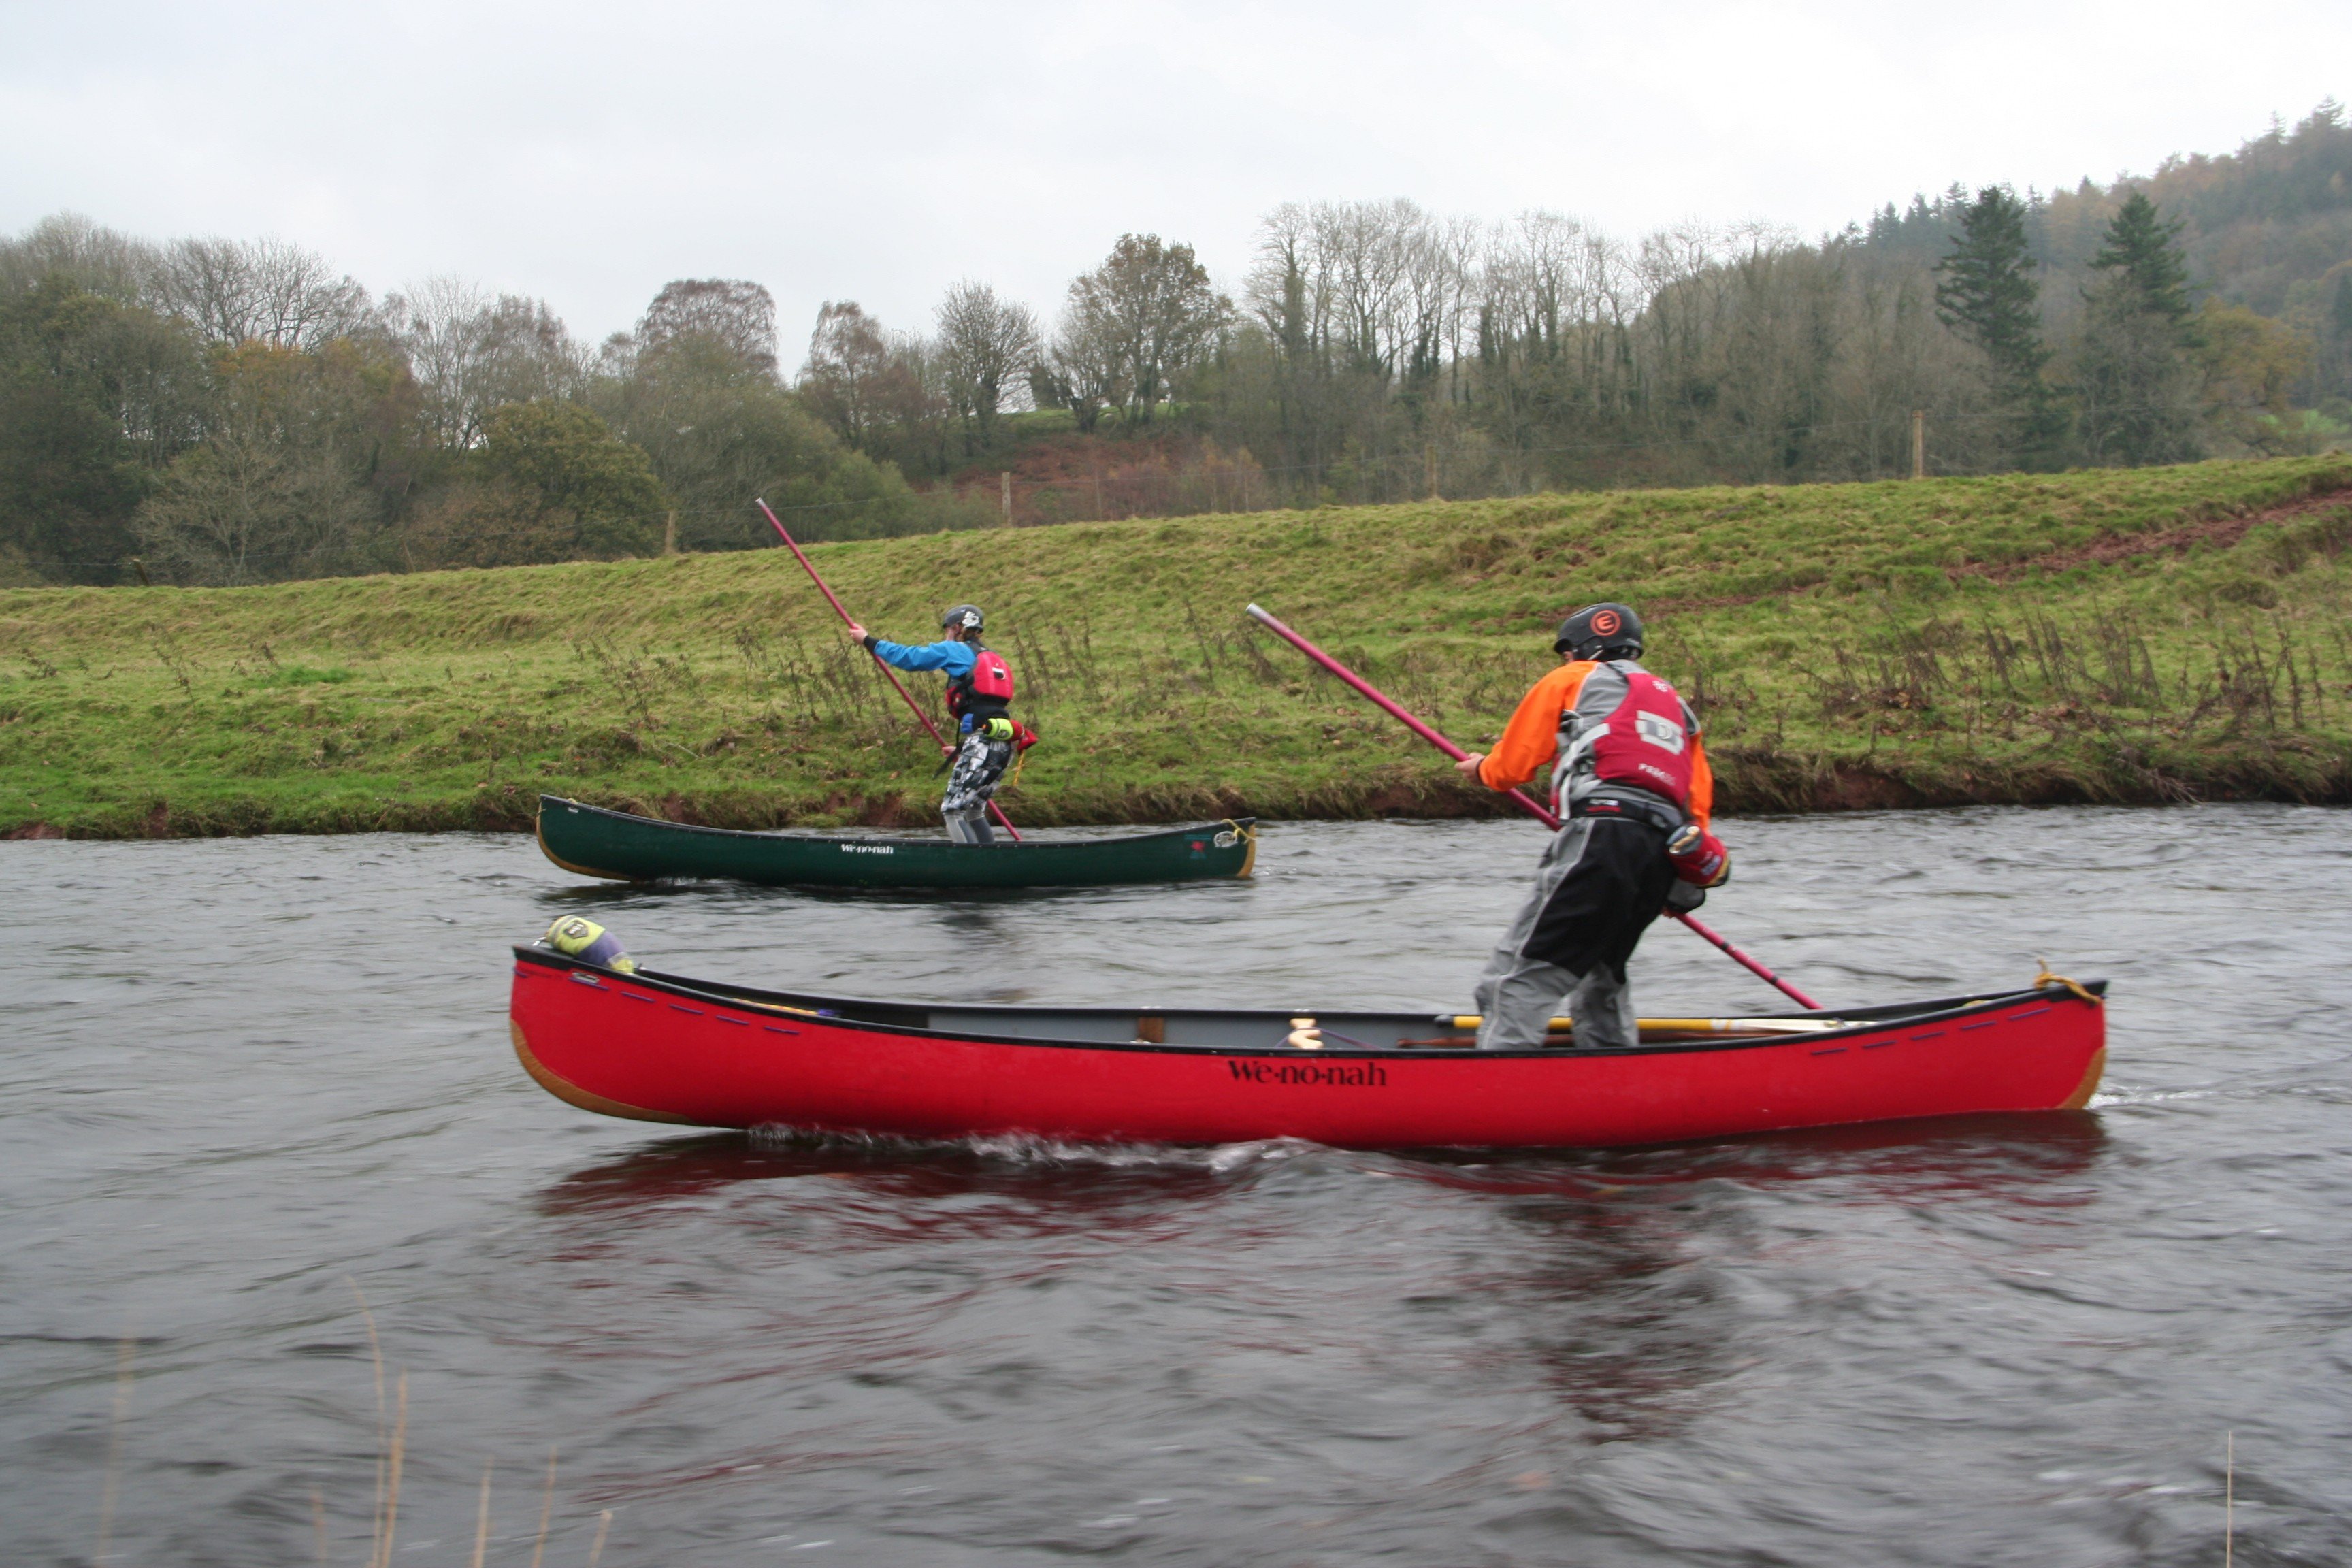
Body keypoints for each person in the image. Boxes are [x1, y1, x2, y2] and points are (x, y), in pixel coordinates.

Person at [1452, 602, 1729, 1051]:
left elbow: (1516, 763)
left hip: (1600, 837)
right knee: (1603, 977)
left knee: (1518, 979)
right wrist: (1676, 882)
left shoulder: (1571, 678)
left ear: (1580, 650)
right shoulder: (1677, 706)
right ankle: (1615, 1082)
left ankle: (1499, 1091)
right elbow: (1696, 806)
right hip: (1662, 852)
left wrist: (1484, 769)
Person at [842, 603, 1025, 845]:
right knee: (974, 810)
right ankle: (988, 863)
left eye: (949, 629)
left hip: (981, 743)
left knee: (952, 810)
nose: (947, 635)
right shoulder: (994, 658)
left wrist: (868, 640)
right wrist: (964, 748)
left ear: (959, 628)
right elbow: (987, 709)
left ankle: (971, 866)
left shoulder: (954, 649)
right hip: (1002, 744)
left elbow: (910, 659)